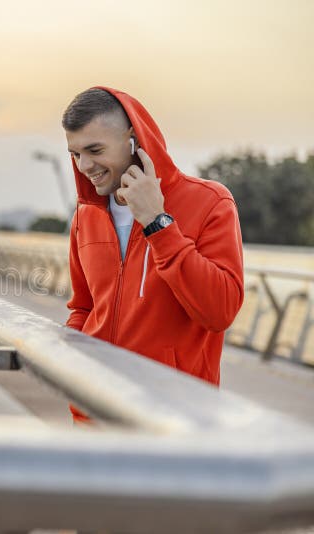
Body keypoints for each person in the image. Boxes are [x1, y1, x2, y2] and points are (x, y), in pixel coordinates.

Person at [62, 87, 244, 423]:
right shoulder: (85, 216)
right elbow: (84, 307)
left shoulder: (210, 202)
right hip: (93, 416)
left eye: (95, 150)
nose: (85, 166)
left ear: (133, 139)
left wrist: (157, 223)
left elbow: (220, 311)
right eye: (75, 154)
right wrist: (63, 357)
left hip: (173, 420)